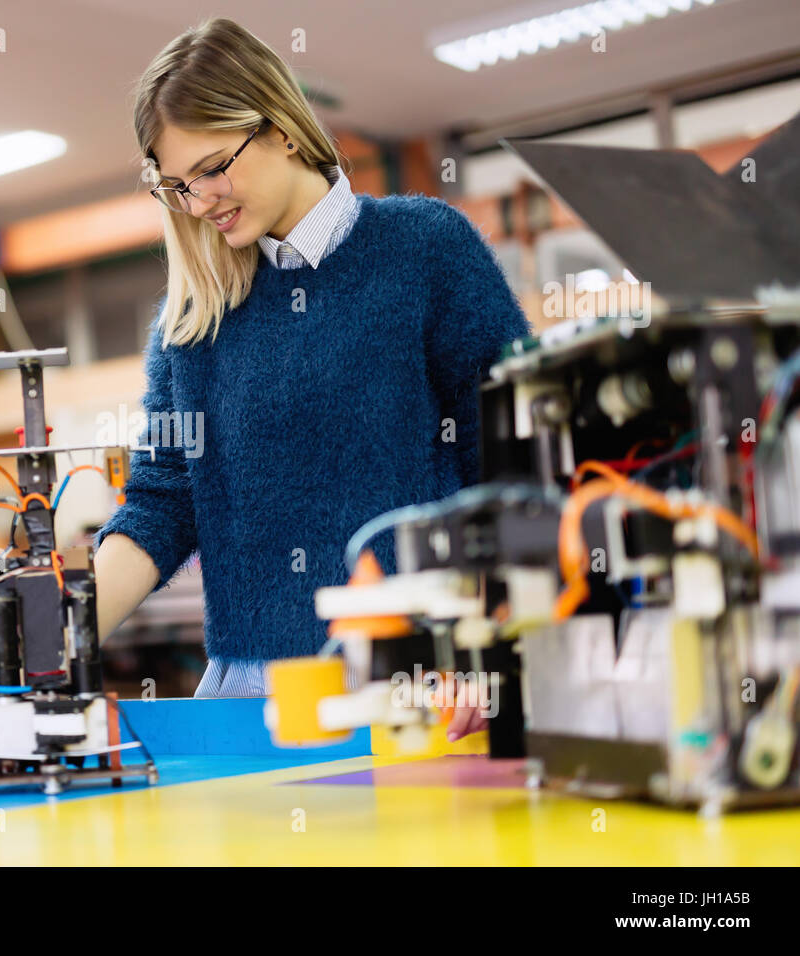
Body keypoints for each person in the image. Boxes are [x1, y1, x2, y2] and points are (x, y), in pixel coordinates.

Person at [92, 18, 529, 740]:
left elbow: (514, 455)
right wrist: (56, 633)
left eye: (211, 169)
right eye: (176, 186)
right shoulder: (192, 317)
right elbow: (163, 502)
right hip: (248, 698)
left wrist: (490, 639)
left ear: (281, 130)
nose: (199, 202)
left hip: (419, 687)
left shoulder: (422, 249)